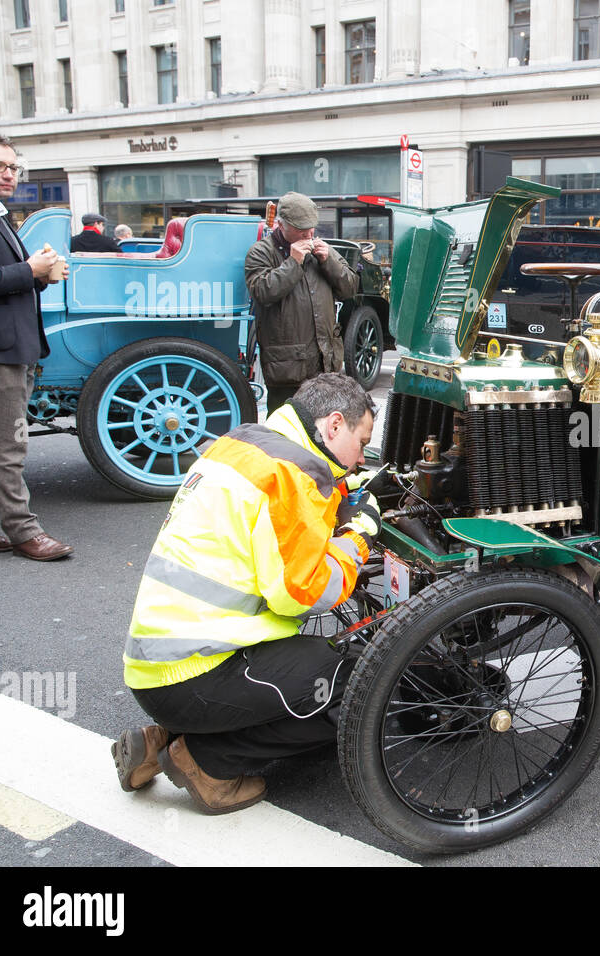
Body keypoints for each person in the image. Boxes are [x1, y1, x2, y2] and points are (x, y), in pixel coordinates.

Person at [113, 372, 379, 813]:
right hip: (192, 675)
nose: (360, 459)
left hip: (159, 668)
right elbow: (304, 595)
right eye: (361, 442)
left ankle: (160, 740)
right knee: (354, 680)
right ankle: (208, 762)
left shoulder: (245, 445)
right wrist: (359, 534)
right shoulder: (291, 475)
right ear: (334, 425)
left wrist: (334, 492)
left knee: (299, 667)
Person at [0, 132, 73, 561]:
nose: (9, 173)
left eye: (13, 166)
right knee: (8, 444)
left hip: (4, 344)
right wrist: (27, 270)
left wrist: (39, 275)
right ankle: (23, 531)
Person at [244, 192, 359, 410]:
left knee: (324, 427)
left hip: (325, 361)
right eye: (300, 228)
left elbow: (350, 288)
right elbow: (263, 291)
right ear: (281, 225)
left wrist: (329, 262)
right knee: (285, 427)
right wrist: (293, 262)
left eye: (312, 227)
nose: (308, 233)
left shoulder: (323, 250)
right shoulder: (261, 252)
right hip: (288, 366)